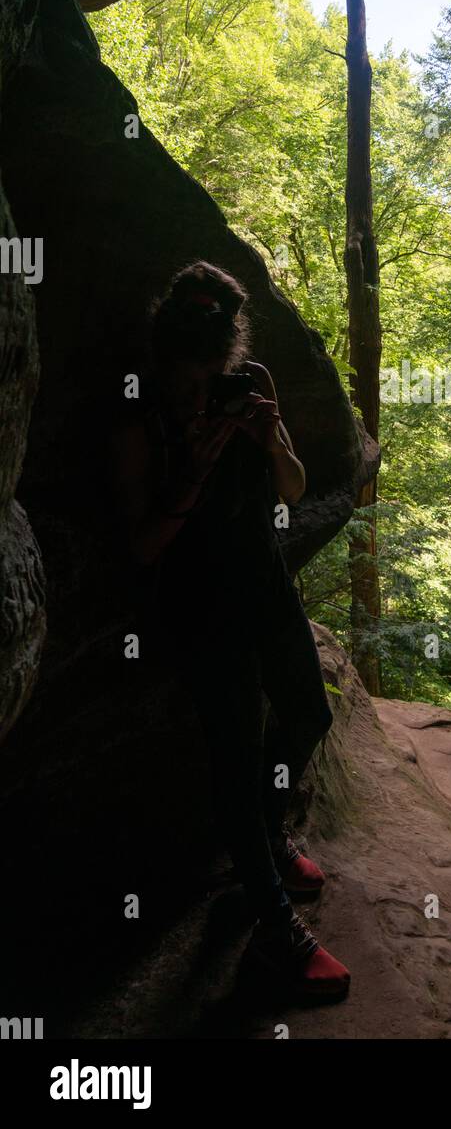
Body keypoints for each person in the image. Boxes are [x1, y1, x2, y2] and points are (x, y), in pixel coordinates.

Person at [111, 260, 350, 1002]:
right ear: (162, 362)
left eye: (211, 375)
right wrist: (193, 467)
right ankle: (275, 932)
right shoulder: (136, 419)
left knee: (310, 712)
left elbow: (293, 488)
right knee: (233, 756)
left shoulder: (250, 385)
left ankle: (268, 837)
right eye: (187, 380)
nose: (199, 393)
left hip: (264, 581)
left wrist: (271, 439)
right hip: (197, 600)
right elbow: (141, 547)